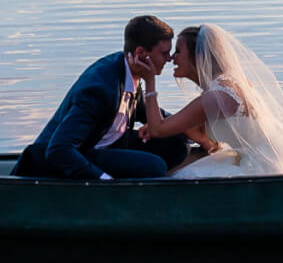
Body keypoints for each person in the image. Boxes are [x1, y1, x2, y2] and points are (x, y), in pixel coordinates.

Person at [14, 15, 193, 180]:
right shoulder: (100, 90)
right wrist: (104, 180)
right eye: (164, 53)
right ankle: (127, 195)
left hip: (108, 143)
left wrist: (189, 127)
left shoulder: (128, 69)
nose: (169, 58)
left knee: (177, 141)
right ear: (141, 54)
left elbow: (148, 113)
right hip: (73, 155)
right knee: (153, 166)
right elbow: (59, 149)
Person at [139, 25, 283, 179]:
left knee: (184, 178)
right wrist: (178, 127)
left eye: (178, 51)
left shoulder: (217, 96)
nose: (172, 58)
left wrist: (149, 80)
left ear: (198, 57)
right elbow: (204, 137)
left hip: (265, 165)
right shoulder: (224, 85)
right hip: (264, 155)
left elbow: (158, 130)